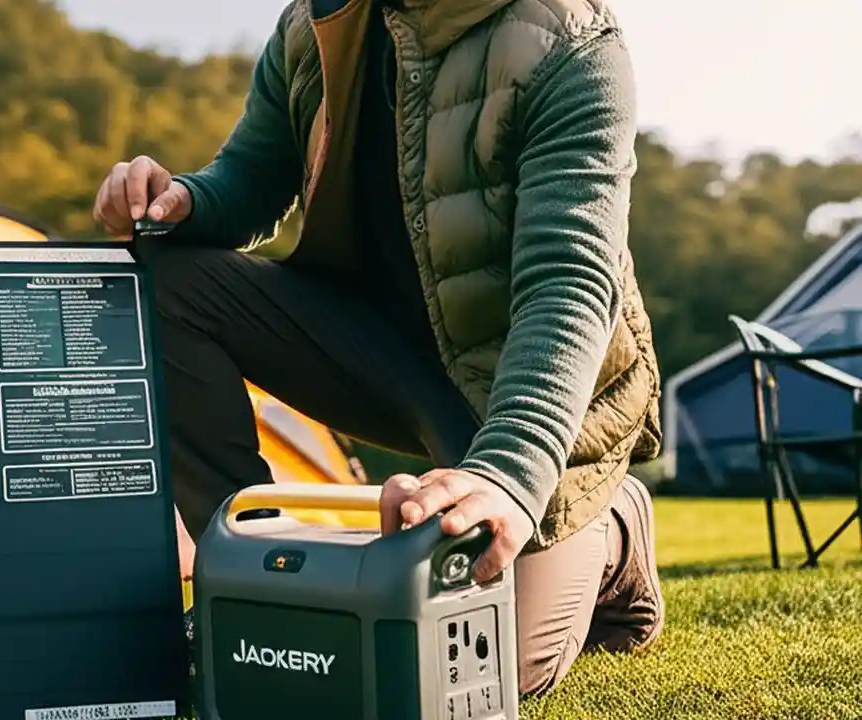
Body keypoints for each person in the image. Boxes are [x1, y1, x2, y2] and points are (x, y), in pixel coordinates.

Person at [92, 0, 664, 696]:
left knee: (473, 666)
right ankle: (246, 579)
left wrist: (511, 477)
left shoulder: (568, 39)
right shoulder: (313, 22)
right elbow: (252, 177)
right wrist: (185, 201)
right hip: (380, 353)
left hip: (532, 392)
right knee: (163, 279)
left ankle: (613, 527)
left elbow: (567, 285)